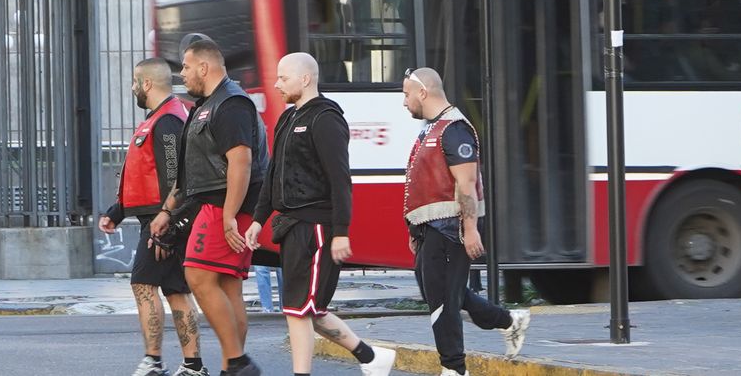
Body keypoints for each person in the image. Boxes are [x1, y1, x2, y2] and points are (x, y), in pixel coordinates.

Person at [245, 52, 397, 376]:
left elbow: (340, 178)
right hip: (291, 226)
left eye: (282, 78)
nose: (275, 84)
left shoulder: (326, 118)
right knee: (310, 309)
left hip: (315, 227)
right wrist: (259, 219)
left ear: (305, 79)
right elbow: (274, 175)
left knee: (298, 310)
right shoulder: (287, 119)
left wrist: (341, 231)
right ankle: (371, 358)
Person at [401, 67, 530, 376]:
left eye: (406, 94)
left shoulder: (454, 129)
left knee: (443, 301)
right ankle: (510, 321)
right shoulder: (434, 127)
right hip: (433, 229)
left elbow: (467, 183)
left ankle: (455, 369)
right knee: (445, 292)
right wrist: (417, 228)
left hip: (451, 229)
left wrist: (469, 229)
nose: (404, 102)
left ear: (423, 92)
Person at [152, 38, 268, 376]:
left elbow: (241, 161)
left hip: (226, 205)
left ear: (205, 67)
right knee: (226, 284)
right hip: (217, 203)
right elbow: (192, 170)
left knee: (198, 275)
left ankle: (237, 363)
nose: (182, 74)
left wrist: (230, 214)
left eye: (186, 67)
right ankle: (233, 366)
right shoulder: (207, 104)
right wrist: (167, 210)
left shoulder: (230, 103)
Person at [98, 58, 208, 376]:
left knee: (143, 285)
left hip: (163, 223)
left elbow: (175, 179)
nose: (132, 88)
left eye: (135, 82)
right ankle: (192, 366)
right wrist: (116, 214)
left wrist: (169, 224)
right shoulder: (158, 118)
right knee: (175, 289)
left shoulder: (168, 121)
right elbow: (144, 174)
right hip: (158, 219)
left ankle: (154, 361)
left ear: (146, 84)